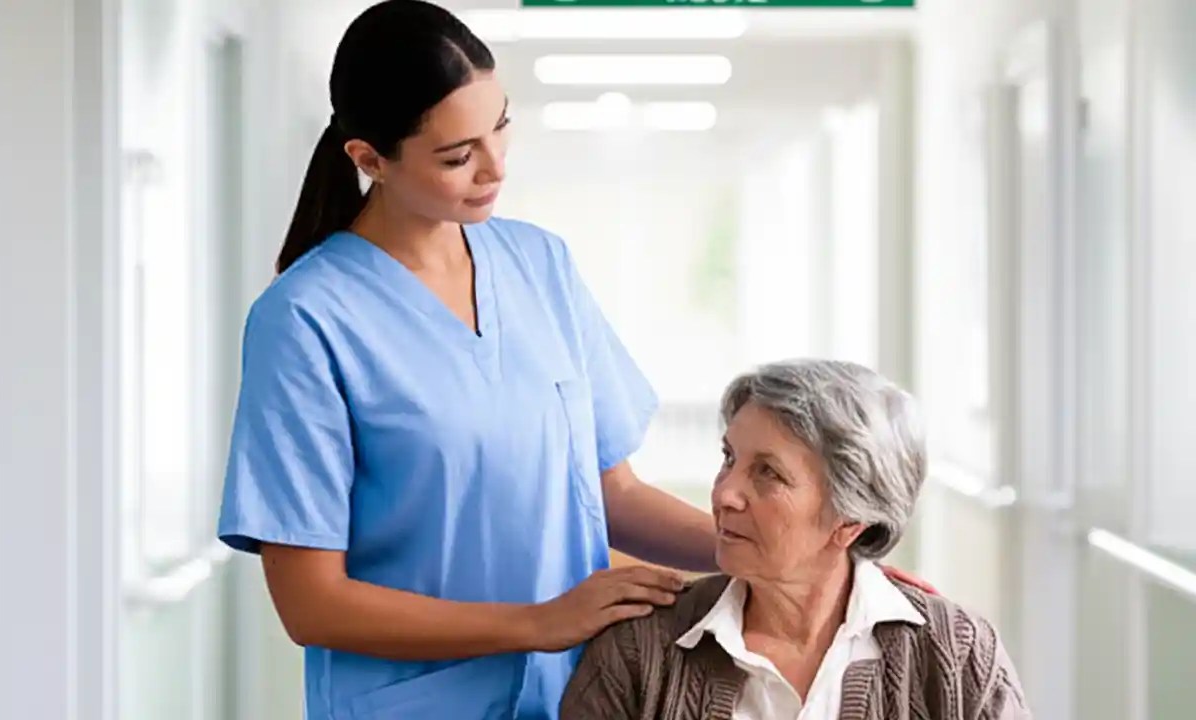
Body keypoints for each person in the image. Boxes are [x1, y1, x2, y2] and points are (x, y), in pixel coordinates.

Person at [216, 1, 925, 717]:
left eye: (499, 127)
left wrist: (808, 561)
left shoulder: (537, 264)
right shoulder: (305, 319)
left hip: (582, 693)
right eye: (458, 156)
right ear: (369, 159)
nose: (494, 167)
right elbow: (311, 605)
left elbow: (612, 494)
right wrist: (538, 623)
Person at [561, 360, 1030, 720]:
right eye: (729, 458)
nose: (724, 493)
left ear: (850, 521)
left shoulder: (955, 652)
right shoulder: (639, 651)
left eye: (768, 473)